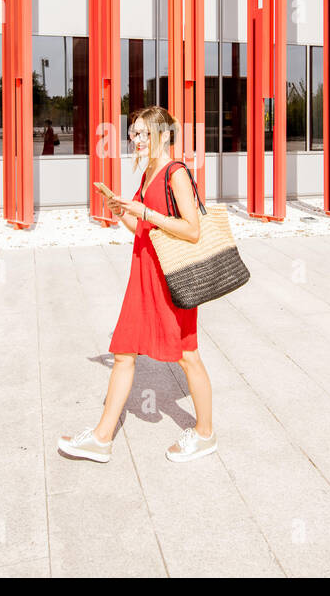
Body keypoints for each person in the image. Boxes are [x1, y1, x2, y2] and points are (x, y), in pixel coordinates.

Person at [57, 106, 217, 464]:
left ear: (161, 134)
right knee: (124, 351)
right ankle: (101, 439)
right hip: (143, 276)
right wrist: (121, 211)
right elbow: (143, 231)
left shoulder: (175, 173)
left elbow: (192, 230)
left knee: (188, 356)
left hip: (171, 279)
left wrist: (144, 212)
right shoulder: (148, 173)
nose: (136, 140)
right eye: (133, 134)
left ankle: (206, 433)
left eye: (143, 133)